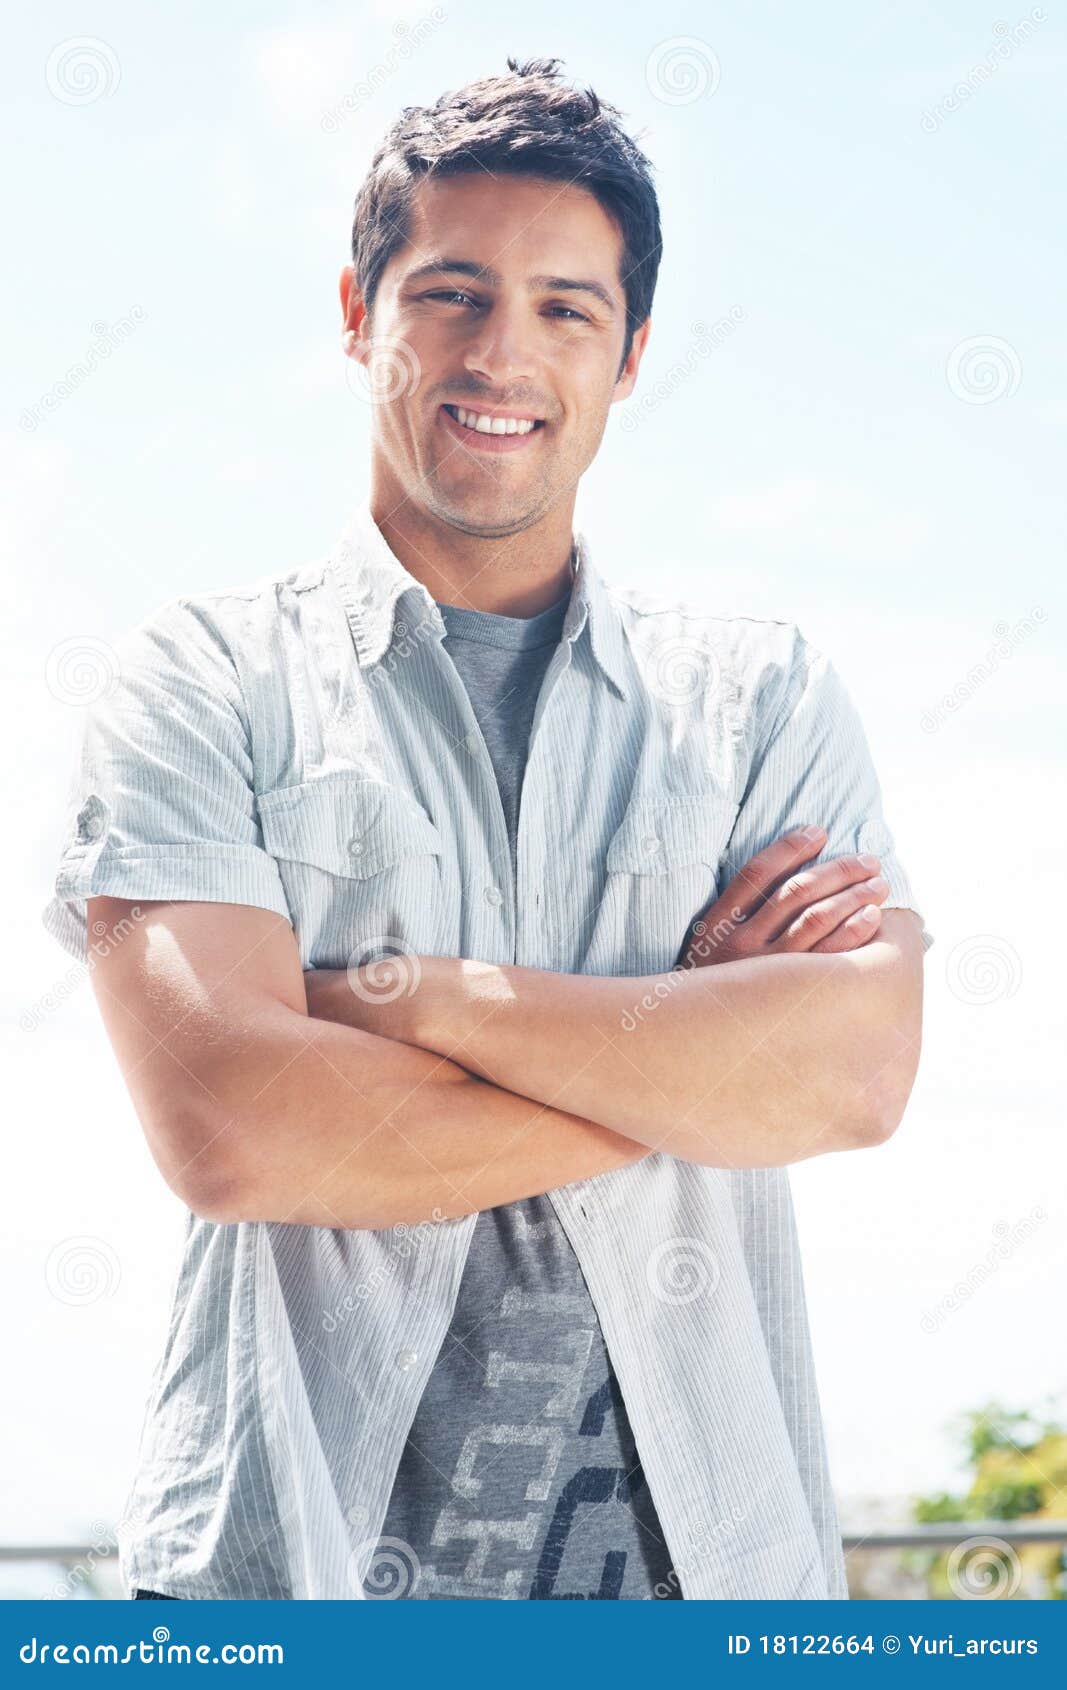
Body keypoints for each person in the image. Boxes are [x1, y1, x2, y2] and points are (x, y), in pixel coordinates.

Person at [42, 56, 933, 1601]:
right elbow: (238, 1132)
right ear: (357, 311)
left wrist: (408, 996)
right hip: (287, 1590)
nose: (502, 352)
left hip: (701, 1603)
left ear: (632, 353)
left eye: (565, 308)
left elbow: (850, 1073)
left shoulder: (760, 700)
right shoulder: (203, 680)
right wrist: (693, 1057)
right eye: (451, 293)